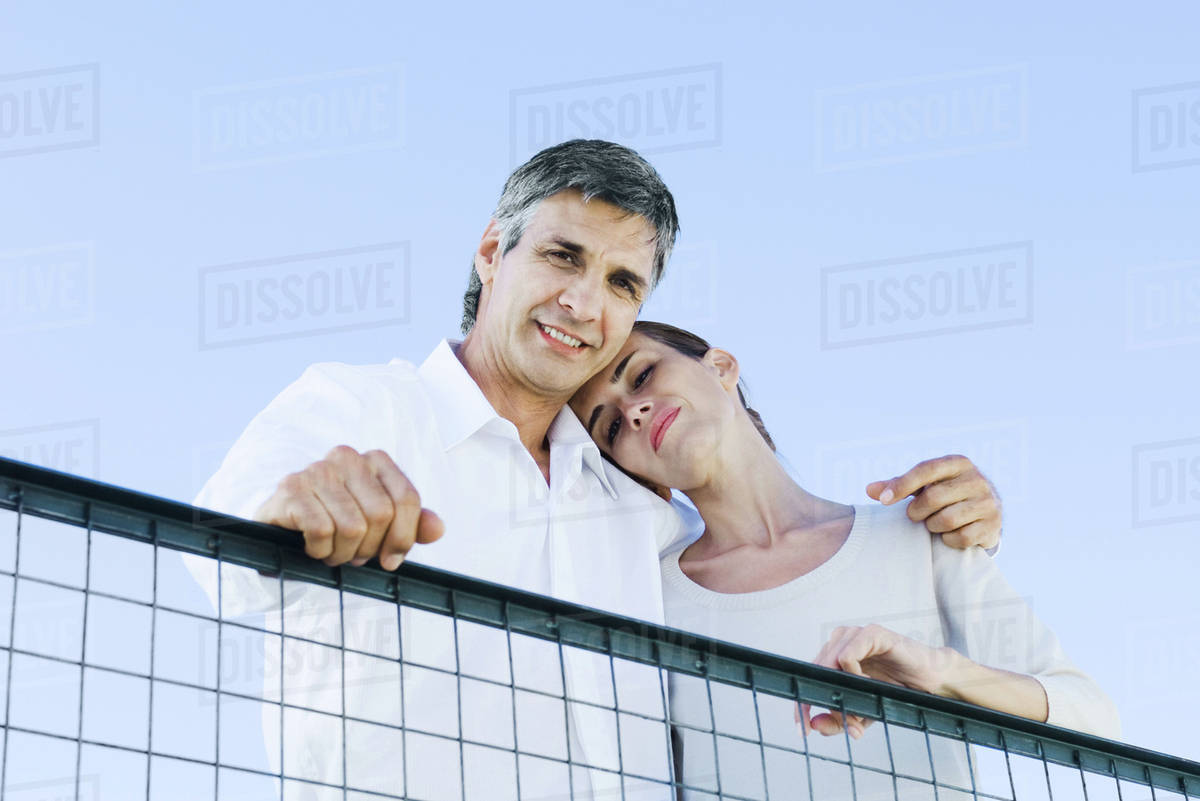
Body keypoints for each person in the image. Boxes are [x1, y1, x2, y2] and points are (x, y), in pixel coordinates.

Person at [191, 140, 1006, 800]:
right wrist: (293, 506)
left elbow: (775, 564)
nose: (584, 303)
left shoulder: (639, 501)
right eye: (562, 256)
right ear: (490, 252)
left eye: (622, 282)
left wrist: (959, 516)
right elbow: (219, 544)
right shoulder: (359, 406)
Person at [568, 321, 1120, 800]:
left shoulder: (912, 535)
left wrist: (942, 675)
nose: (633, 411)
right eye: (610, 427)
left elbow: (1091, 716)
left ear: (721, 367)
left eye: (641, 375)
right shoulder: (644, 597)